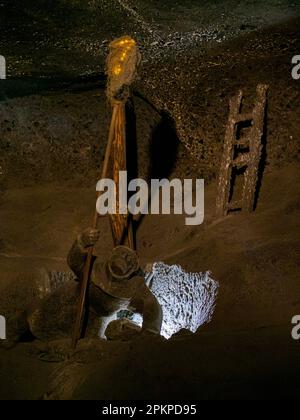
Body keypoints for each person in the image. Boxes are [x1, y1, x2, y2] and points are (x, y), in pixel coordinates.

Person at [67, 228, 162, 338]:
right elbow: (74, 261)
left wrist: (150, 334)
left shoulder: (134, 286)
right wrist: (81, 241)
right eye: (122, 255)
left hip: (97, 321)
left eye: (128, 260)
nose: (124, 259)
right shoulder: (94, 266)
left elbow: (152, 306)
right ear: (111, 255)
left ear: (132, 270)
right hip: (73, 304)